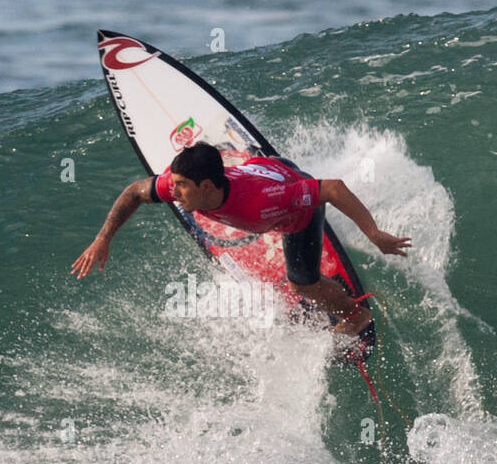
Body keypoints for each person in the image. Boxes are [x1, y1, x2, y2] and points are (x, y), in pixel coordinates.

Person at [71, 142, 410, 337]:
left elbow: (332, 188)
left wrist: (374, 234)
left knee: (301, 284)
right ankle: (248, 153)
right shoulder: (185, 188)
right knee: (264, 171)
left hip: (295, 213)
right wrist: (103, 239)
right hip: (268, 166)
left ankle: (355, 316)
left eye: (181, 185)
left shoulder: (263, 202)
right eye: (173, 183)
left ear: (206, 186)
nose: (172, 191)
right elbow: (135, 192)